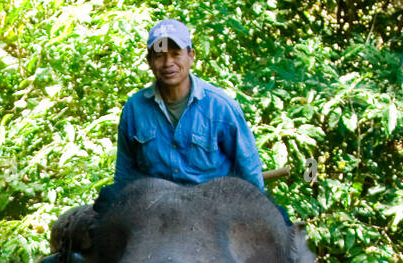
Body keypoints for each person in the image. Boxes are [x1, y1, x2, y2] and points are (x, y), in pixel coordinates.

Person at [114, 19, 289, 224]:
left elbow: (248, 169)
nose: (168, 63)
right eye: (159, 56)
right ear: (150, 62)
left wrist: (256, 217)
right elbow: (124, 173)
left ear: (191, 56)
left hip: (214, 210)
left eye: (175, 54)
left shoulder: (221, 106)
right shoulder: (135, 109)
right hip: (155, 212)